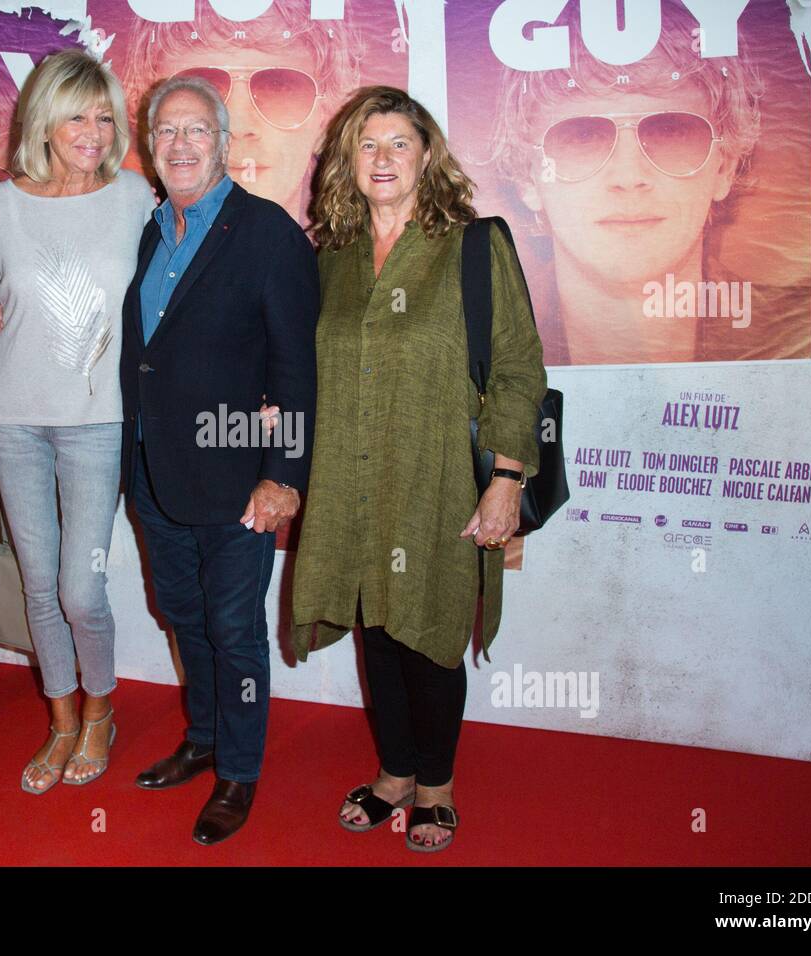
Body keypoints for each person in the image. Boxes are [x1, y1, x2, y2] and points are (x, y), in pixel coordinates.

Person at [291, 87, 547, 851]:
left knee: (428, 630)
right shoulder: (331, 260)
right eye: (366, 144)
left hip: (437, 481)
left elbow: (516, 370)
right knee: (377, 629)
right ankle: (395, 772)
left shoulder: (472, 247)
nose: (382, 158)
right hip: (349, 482)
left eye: (399, 143)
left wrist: (506, 480)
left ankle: (435, 783)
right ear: (345, 160)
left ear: (427, 154)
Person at [121, 75, 318, 845]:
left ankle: (238, 771)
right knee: (184, 616)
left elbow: (297, 370)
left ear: (225, 143)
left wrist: (284, 475)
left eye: (196, 130)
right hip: (155, 470)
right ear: (149, 146)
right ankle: (203, 738)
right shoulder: (150, 230)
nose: (180, 145)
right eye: (165, 131)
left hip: (239, 478)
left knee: (234, 629)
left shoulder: (268, 234)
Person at [0, 50, 156, 794]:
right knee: (38, 583)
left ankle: (101, 710)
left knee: (82, 588)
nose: (94, 131)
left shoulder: (134, 195)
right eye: (77, 114)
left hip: (97, 421)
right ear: (43, 120)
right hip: (11, 420)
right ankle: (61, 719)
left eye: (105, 116)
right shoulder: (2, 204)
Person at [482, 0, 808, 365]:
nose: (629, 177)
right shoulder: (467, 340)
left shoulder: (803, 333)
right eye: (583, 136)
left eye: (670, 131)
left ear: (725, 166)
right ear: (525, 175)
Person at [118, 0, 362, 226]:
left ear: (325, 120)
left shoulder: (346, 253)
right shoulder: (135, 243)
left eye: (278, 87)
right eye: (202, 91)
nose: (239, 126)